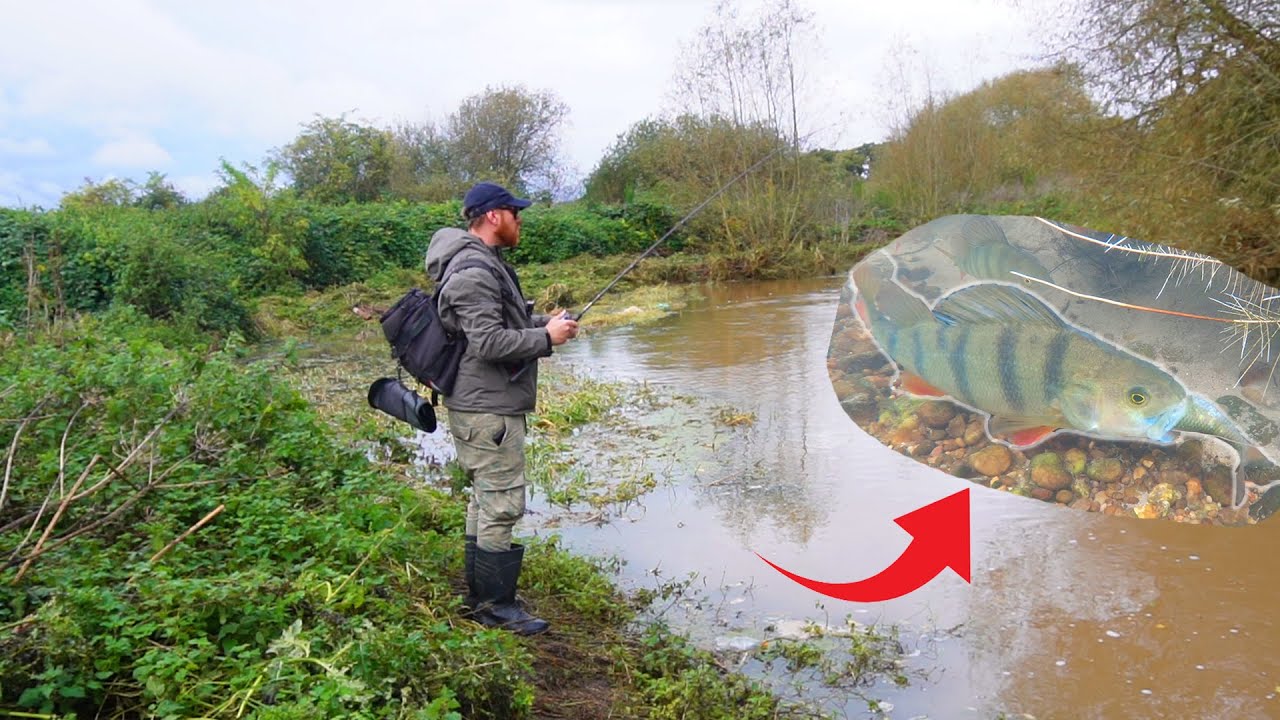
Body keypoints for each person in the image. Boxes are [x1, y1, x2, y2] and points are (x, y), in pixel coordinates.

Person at [424, 181, 579, 636]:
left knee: (486, 498)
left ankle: (481, 597)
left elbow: (502, 322)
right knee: (503, 503)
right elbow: (489, 342)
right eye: (515, 212)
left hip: (485, 403)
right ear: (493, 216)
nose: (520, 220)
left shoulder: (485, 262)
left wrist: (546, 324)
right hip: (487, 408)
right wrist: (545, 339)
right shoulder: (473, 271)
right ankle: (495, 607)